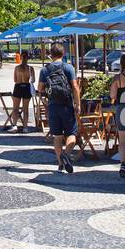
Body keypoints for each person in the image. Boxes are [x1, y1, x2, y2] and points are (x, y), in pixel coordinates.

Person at [38, 46, 81, 174]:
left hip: (53, 106)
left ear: (51, 54)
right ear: (63, 53)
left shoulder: (45, 70)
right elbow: (75, 86)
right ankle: (66, 154)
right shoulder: (68, 68)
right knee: (72, 134)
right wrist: (77, 104)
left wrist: (46, 100)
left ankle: (60, 164)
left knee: (57, 137)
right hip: (66, 105)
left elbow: (40, 88)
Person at [6, 56, 35, 132]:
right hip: (26, 87)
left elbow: (15, 79)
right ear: (27, 59)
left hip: (18, 86)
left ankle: (14, 125)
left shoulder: (17, 68)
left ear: (21, 58)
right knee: (26, 109)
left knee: (15, 108)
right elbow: (33, 80)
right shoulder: (30, 68)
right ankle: (25, 127)